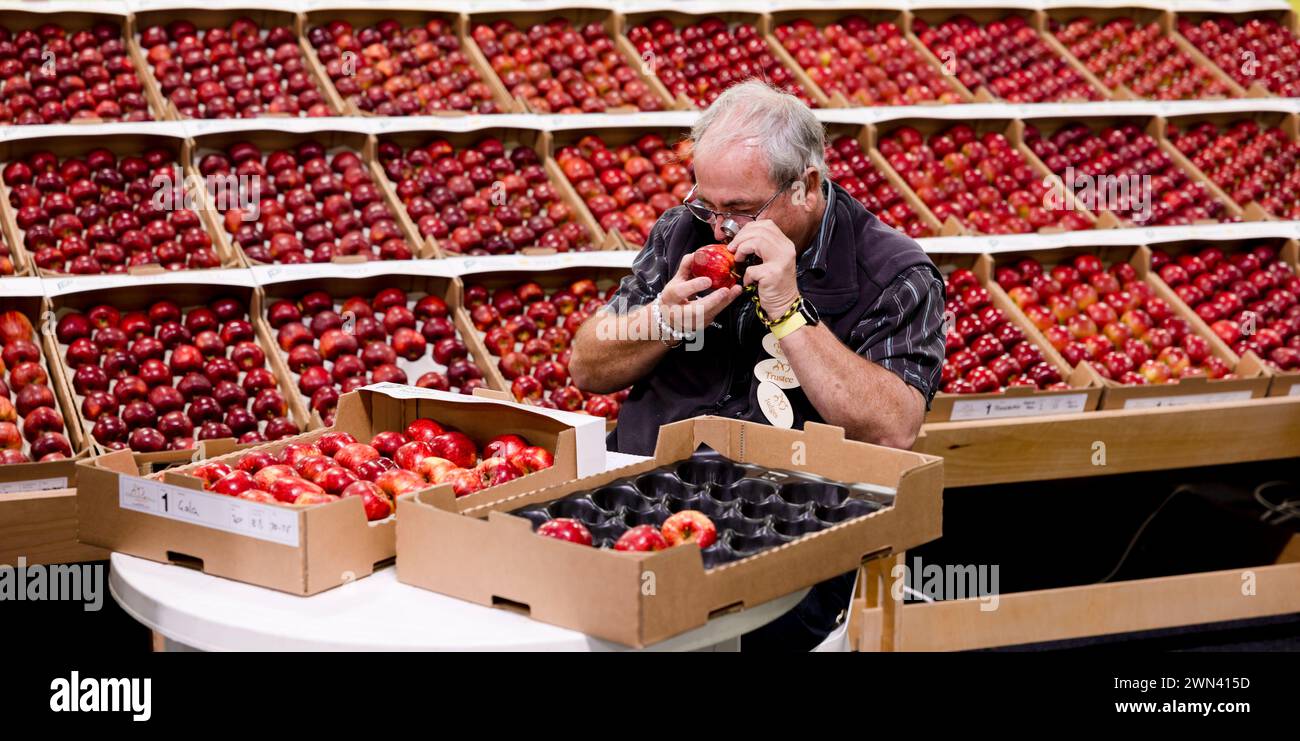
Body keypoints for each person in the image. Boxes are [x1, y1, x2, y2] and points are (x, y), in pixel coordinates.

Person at [569, 80, 946, 651]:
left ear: (808, 187)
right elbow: (587, 366)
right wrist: (663, 320)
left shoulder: (892, 274)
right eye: (709, 205)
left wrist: (790, 312)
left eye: (742, 210)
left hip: (783, 544)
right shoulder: (683, 232)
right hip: (639, 516)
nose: (720, 229)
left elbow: (891, 428)